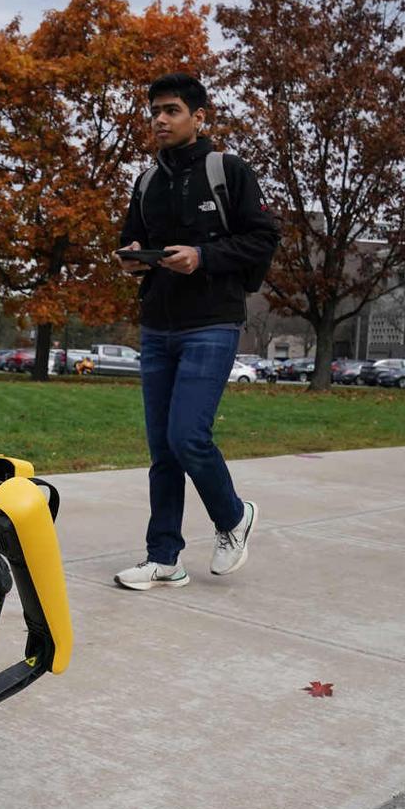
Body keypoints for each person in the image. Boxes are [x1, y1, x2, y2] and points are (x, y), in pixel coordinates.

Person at [112, 73, 280, 590]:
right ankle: (164, 558)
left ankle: (232, 517)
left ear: (199, 117)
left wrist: (203, 256)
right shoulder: (146, 182)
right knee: (162, 450)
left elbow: (263, 238)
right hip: (157, 327)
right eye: (155, 112)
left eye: (171, 111)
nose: (160, 120)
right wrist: (132, 261)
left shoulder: (226, 171)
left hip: (211, 322)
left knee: (188, 436)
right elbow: (130, 239)